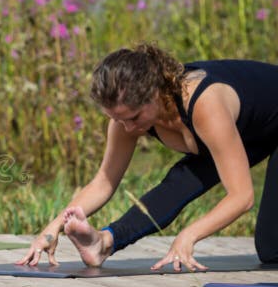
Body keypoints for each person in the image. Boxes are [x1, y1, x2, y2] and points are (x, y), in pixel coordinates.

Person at [17, 43, 278, 272]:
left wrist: (189, 235)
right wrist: (52, 229)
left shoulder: (204, 104)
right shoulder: (125, 118)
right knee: (178, 183)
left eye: (133, 118)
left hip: (266, 121)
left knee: (272, 248)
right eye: (117, 119)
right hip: (256, 128)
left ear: (155, 94)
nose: (127, 128)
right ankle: (104, 243)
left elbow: (242, 197)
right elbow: (104, 182)